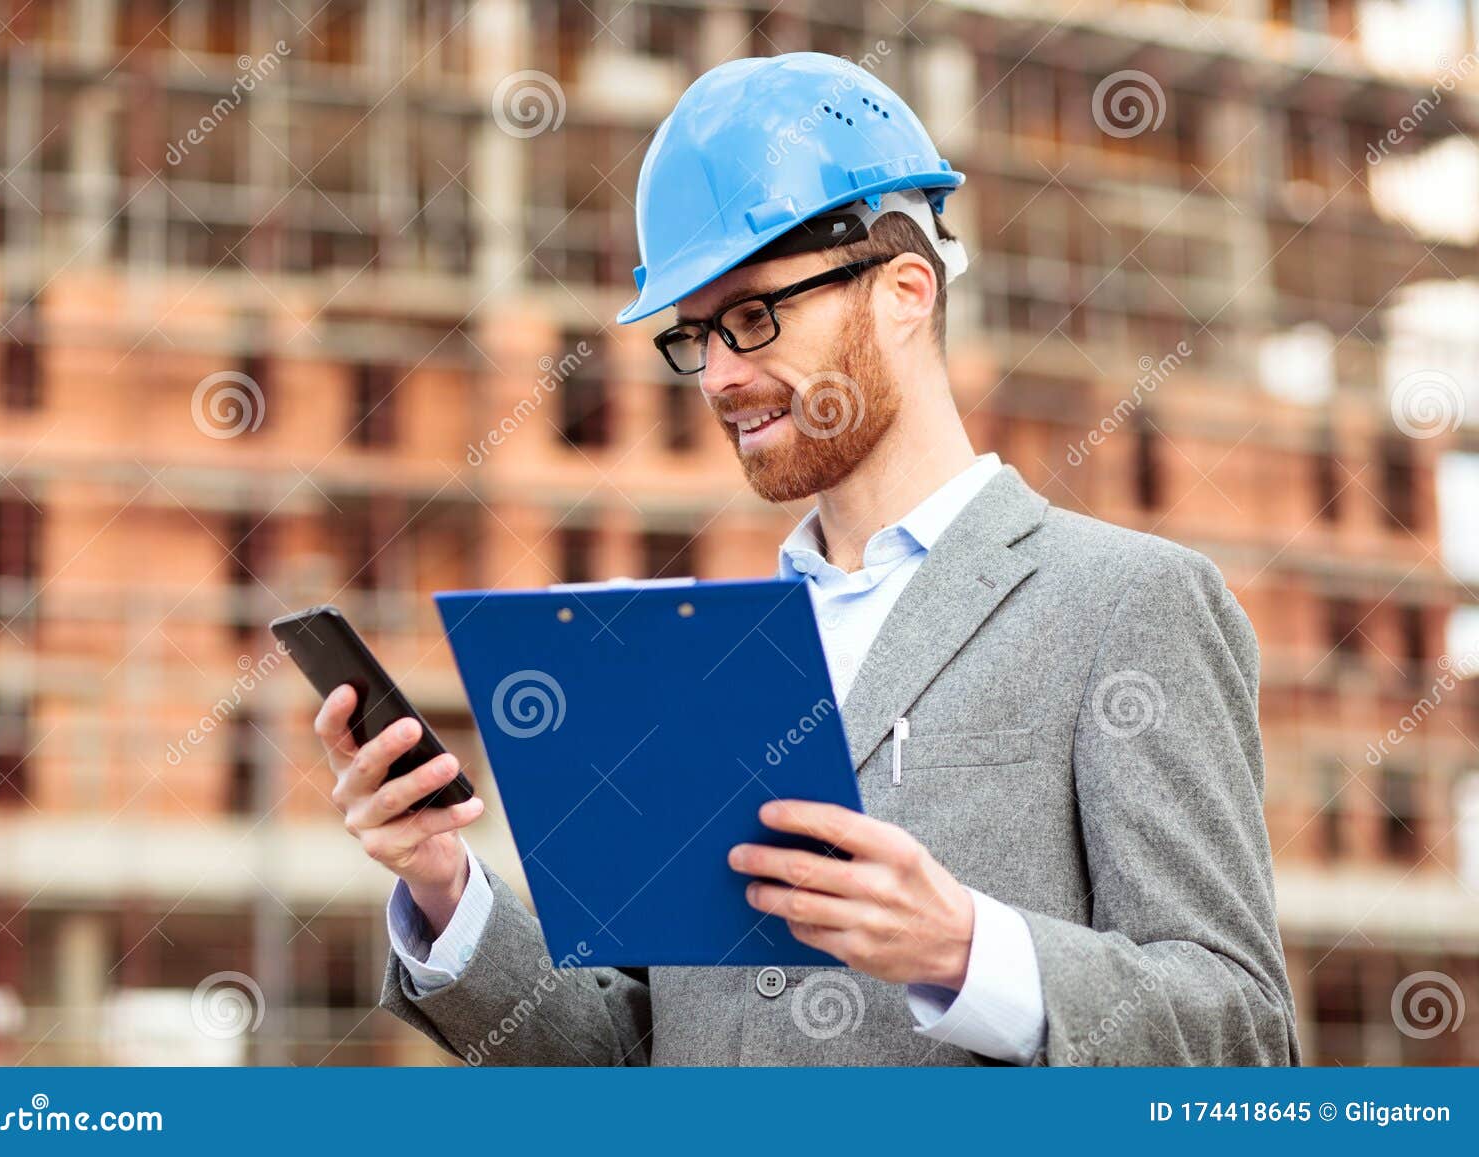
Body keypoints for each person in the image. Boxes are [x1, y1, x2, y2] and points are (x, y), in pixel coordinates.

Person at [316, 52, 1300, 1066]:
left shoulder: (1125, 603)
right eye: (696, 335)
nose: (722, 376)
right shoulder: (696, 657)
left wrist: (968, 950)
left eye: (753, 316)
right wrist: (446, 885)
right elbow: (635, 1050)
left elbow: (1240, 1031)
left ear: (904, 290)